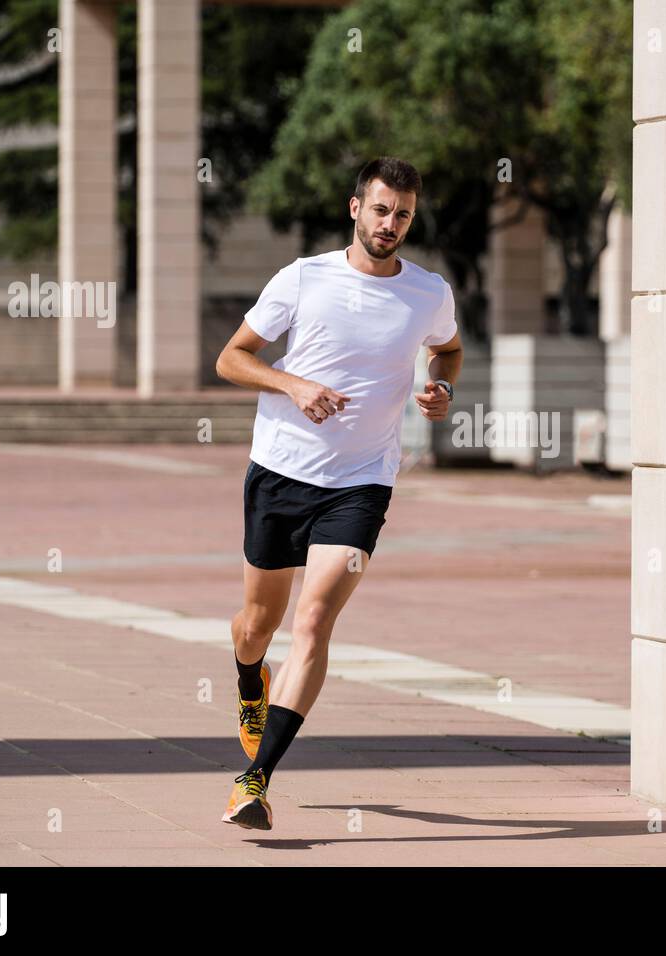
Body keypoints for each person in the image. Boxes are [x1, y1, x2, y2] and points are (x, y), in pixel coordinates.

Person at [213, 157, 462, 830]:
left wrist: (441, 385)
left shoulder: (428, 291)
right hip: (281, 471)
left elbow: (449, 348)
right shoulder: (303, 278)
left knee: (316, 620)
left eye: (403, 214)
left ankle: (255, 780)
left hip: (362, 482)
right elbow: (231, 357)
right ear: (355, 208)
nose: (391, 224)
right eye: (380, 210)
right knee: (256, 626)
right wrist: (294, 386)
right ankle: (248, 680)